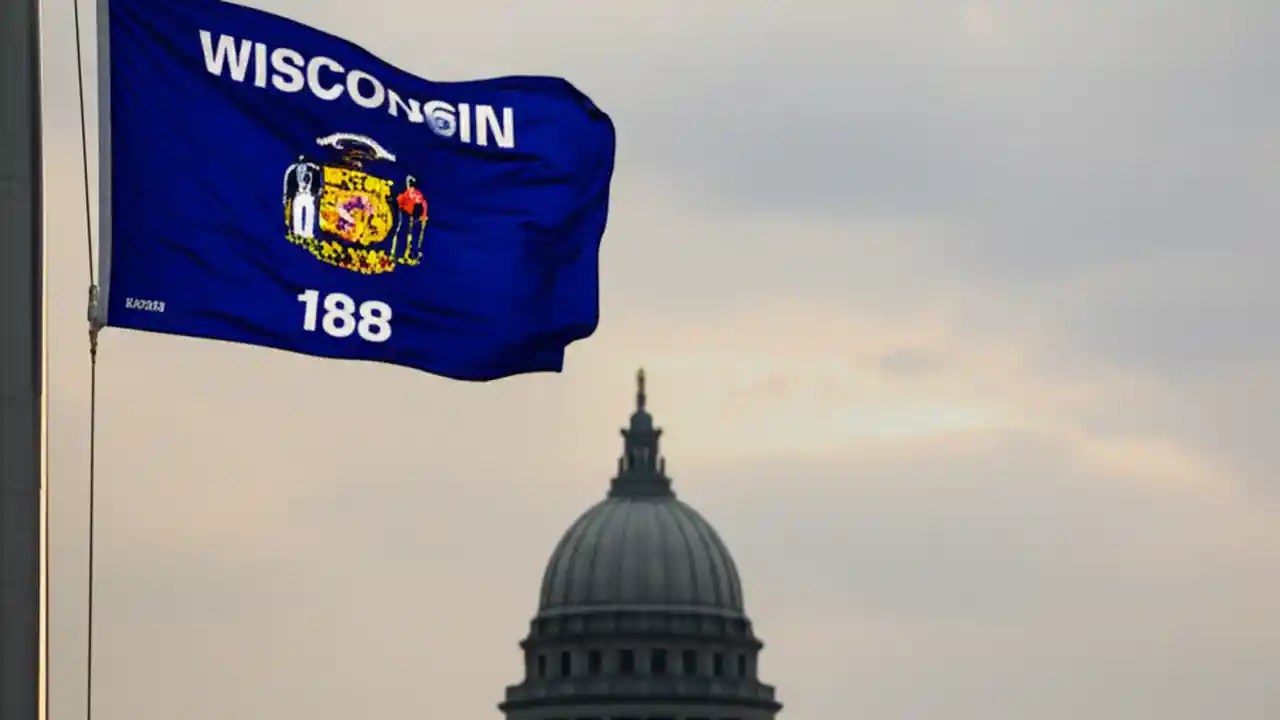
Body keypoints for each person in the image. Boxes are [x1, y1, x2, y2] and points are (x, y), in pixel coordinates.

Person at [282, 155, 320, 238]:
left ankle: (308, 233)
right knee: (297, 213)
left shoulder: (312, 169)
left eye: (304, 163)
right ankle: (298, 233)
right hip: (299, 194)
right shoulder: (292, 169)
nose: (302, 167)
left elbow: (318, 177)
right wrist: (285, 196)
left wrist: (317, 192)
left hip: (309, 195)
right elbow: (286, 182)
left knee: (309, 213)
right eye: (300, 163)